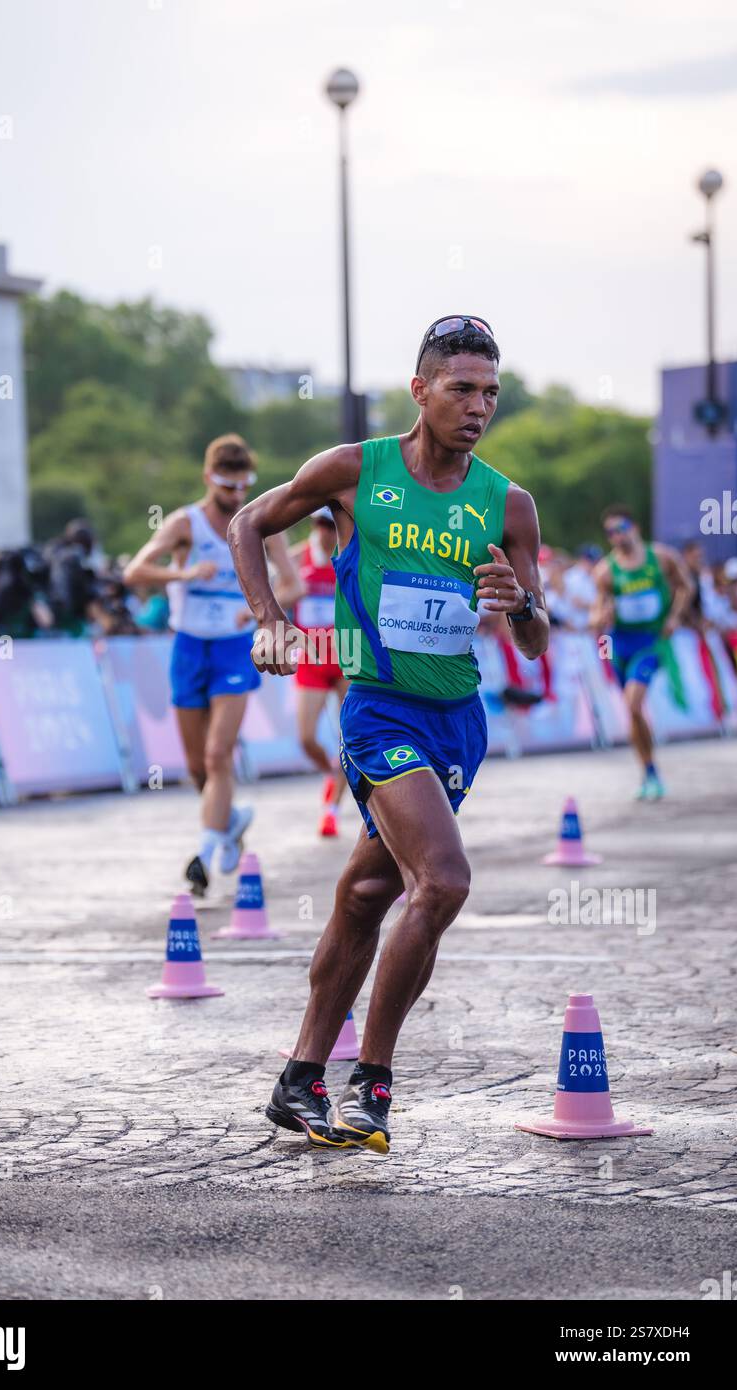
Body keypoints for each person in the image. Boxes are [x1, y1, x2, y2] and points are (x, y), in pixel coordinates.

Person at [230, 316, 549, 1151]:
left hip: (459, 722)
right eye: (461, 389)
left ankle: (299, 1078)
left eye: (490, 393)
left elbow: (535, 637)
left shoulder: (509, 503)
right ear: (419, 389)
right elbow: (249, 523)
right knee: (441, 881)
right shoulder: (353, 470)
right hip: (379, 710)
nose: (478, 407)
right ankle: (371, 1082)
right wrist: (269, 620)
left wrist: (520, 602)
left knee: (369, 894)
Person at [124, 434, 299, 895]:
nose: (237, 496)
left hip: (234, 648)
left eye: (244, 486)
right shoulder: (186, 524)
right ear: (208, 479)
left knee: (219, 753)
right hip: (188, 647)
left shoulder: (262, 523)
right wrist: (181, 573)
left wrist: (258, 609)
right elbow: (134, 571)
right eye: (228, 487)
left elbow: (293, 583)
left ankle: (203, 856)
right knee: (198, 766)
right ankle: (229, 822)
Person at [592, 506, 692, 800]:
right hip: (620, 645)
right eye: (610, 532)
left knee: (634, 704)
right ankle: (649, 773)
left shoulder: (661, 557)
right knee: (632, 711)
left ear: (635, 527)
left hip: (652, 642)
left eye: (621, 528)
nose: (617, 536)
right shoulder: (605, 571)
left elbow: (685, 586)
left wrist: (675, 617)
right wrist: (601, 618)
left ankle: (651, 773)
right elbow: (595, 617)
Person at [288, 507, 349, 837]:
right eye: (321, 524)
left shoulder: (350, 555)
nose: (326, 531)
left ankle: (331, 811)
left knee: (349, 736)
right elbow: (273, 593)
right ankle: (330, 771)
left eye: (331, 524)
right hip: (311, 654)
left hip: (347, 652)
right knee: (306, 738)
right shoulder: (297, 558)